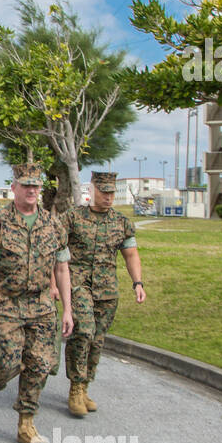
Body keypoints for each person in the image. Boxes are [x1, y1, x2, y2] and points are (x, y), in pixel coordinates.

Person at [0, 163, 73, 443]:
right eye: (25, 185)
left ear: (41, 190)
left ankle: (26, 424)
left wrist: (67, 309)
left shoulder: (53, 225)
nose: (31, 190)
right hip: (6, 304)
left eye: (35, 186)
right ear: (13, 188)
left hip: (41, 305)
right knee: (7, 362)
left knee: (40, 364)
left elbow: (62, 270)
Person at [60, 171, 145, 416]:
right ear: (92, 191)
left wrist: (137, 283)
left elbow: (131, 254)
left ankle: (85, 386)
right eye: (104, 192)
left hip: (107, 289)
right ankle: (75, 388)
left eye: (111, 192)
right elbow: (56, 250)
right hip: (78, 285)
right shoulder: (73, 218)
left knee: (97, 339)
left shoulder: (121, 222)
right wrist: (54, 283)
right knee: (83, 331)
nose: (108, 197)